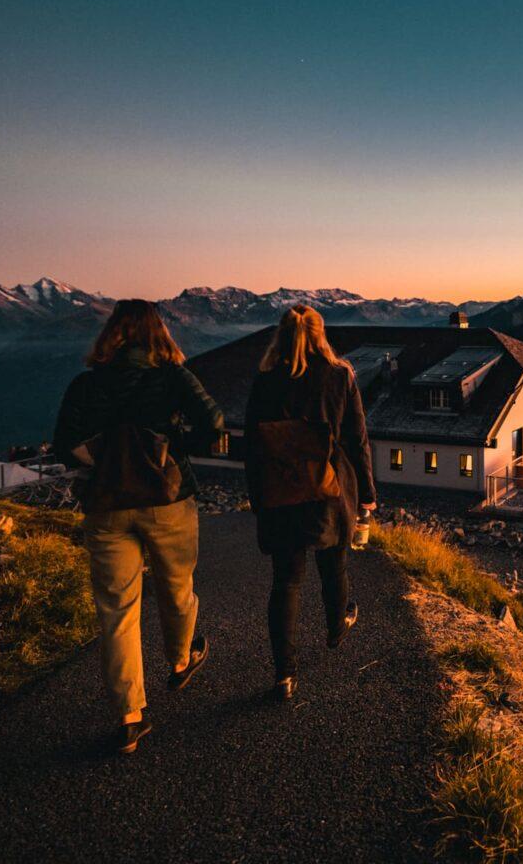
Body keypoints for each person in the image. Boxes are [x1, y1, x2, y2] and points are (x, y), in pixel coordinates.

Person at [53, 299, 224, 753]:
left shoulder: (86, 384)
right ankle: (182, 659)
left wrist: (104, 461)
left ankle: (130, 717)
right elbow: (215, 422)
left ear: (111, 334)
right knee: (176, 586)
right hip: (168, 500)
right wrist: (174, 448)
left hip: (106, 506)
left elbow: (63, 445)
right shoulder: (172, 376)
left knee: (117, 611)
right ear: (158, 333)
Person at [244, 306, 376, 700]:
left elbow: (253, 446)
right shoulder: (339, 377)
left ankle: (284, 676)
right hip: (329, 491)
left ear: (281, 336)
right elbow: (357, 440)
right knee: (334, 562)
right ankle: (337, 625)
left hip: (281, 493)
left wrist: (258, 497)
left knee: (286, 581)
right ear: (320, 335)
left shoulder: (265, 381)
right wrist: (366, 496)